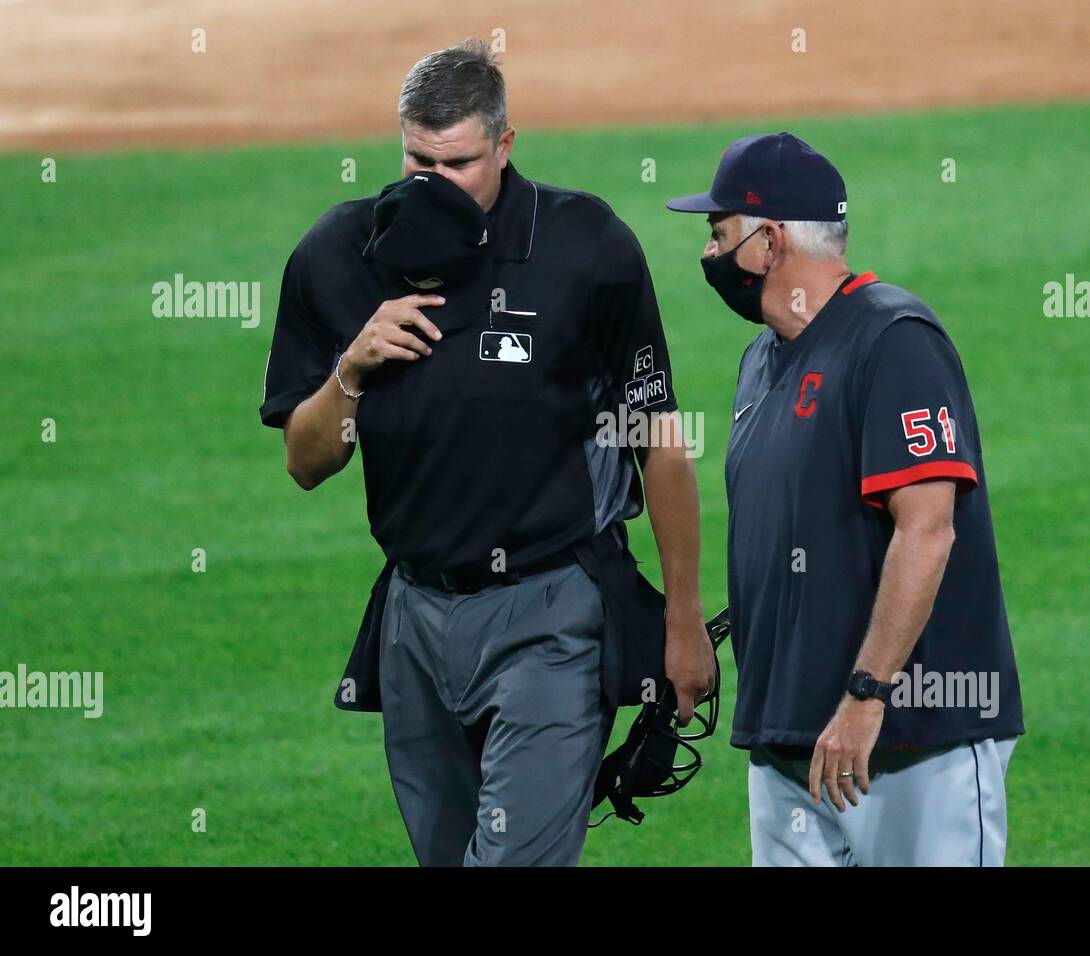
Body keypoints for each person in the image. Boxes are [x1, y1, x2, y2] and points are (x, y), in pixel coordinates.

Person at [259, 38, 714, 866]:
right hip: (415, 619)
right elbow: (305, 459)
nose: (433, 183)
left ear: (505, 146)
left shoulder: (586, 249)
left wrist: (683, 619)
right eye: (416, 159)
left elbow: (660, 441)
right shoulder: (339, 255)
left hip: (552, 611)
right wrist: (351, 370)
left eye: (458, 162)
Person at [666, 132, 1025, 866]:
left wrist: (866, 698)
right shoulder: (762, 359)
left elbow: (927, 532)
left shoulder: (894, 340)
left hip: (909, 739)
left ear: (768, 242)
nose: (707, 254)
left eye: (718, 232)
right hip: (787, 739)